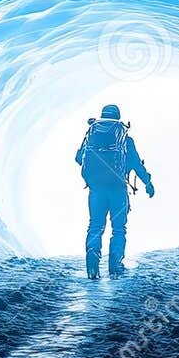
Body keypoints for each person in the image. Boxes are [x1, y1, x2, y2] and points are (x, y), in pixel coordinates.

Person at [75, 104, 155, 280]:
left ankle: (92, 266)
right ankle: (115, 267)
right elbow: (136, 164)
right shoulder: (125, 138)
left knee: (95, 225)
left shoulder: (91, 135)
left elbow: (78, 158)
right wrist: (148, 183)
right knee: (118, 228)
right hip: (118, 190)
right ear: (118, 118)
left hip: (96, 190)